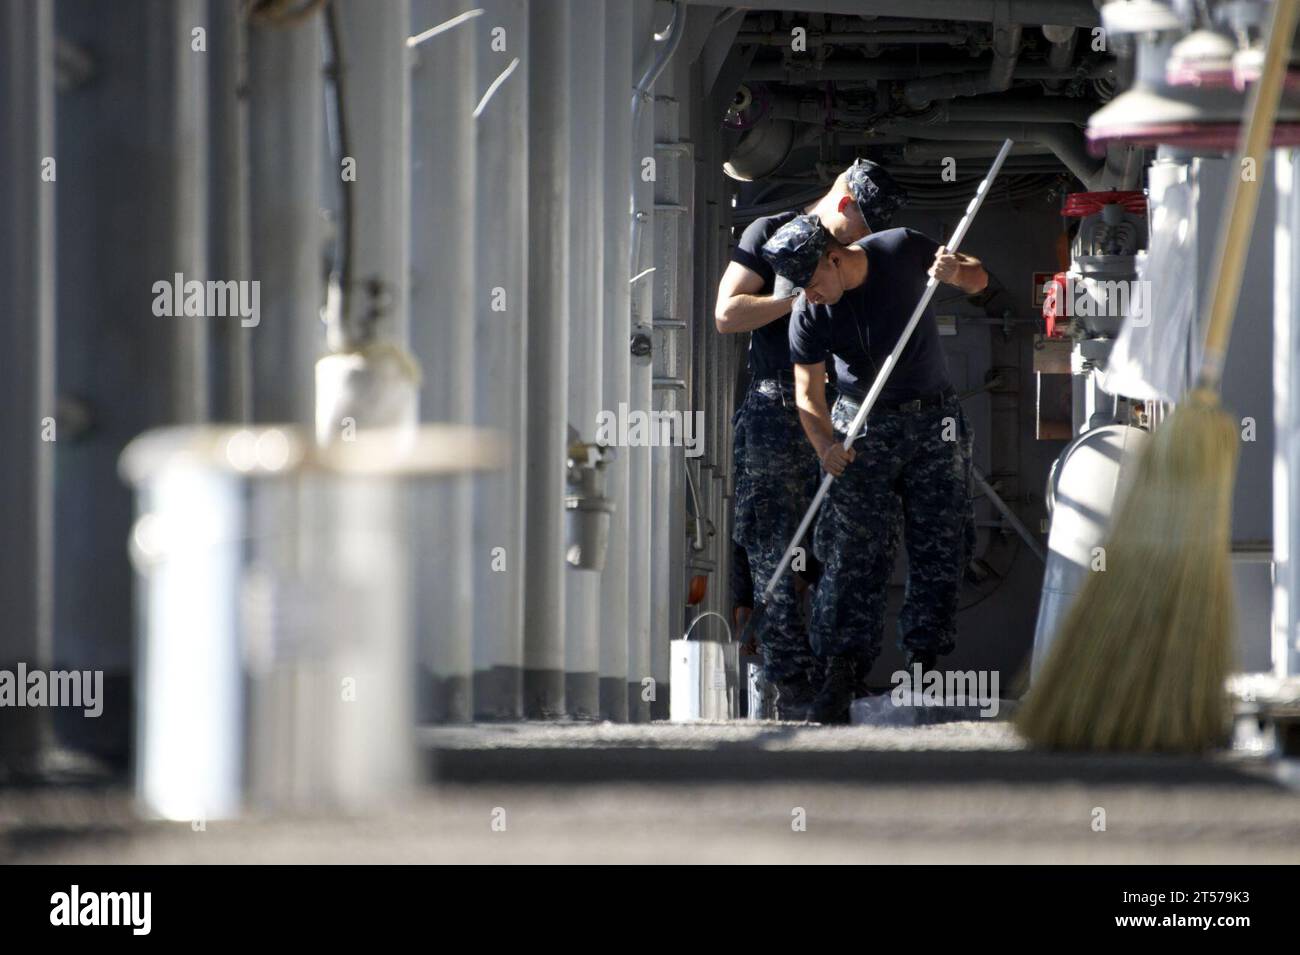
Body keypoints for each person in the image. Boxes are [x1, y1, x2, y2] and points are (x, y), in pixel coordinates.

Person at [761, 213, 987, 723]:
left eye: (813, 283)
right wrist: (825, 446)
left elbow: (979, 278)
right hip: (860, 425)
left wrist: (956, 272)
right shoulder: (808, 314)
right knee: (850, 553)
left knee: (942, 542)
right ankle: (841, 673)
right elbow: (808, 394)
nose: (809, 296)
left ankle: (924, 667)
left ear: (834, 257)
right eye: (800, 290)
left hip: (935, 421)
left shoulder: (902, 249)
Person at [715, 160, 907, 719]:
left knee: (844, 547)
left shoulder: (861, 256)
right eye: (859, 229)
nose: (858, 243)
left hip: (843, 406)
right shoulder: (769, 233)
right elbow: (727, 313)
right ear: (844, 204)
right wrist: (798, 297)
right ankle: (790, 681)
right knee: (774, 546)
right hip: (779, 406)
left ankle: (835, 680)